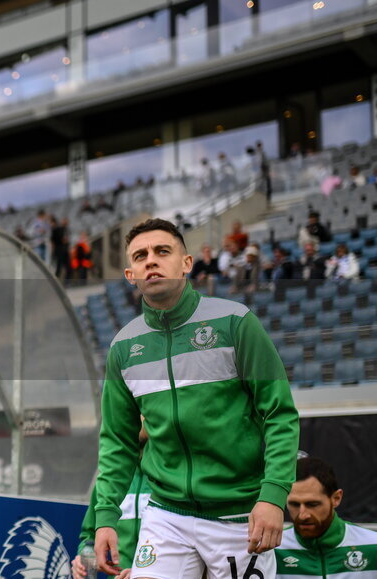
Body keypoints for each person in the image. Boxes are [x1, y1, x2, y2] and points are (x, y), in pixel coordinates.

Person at [93, 218, 299, 578]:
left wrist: (273, 495)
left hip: (239, 513)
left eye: (162, 251)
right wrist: (105, 516)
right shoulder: (123, 348)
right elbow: (117, 441)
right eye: (140, 256)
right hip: (166, 515)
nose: (151, 261)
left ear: (186, 263)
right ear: (130, 274)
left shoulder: (236, 322)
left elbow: (280, 414)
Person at [276, 457, 377, 578]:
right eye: (294, 504)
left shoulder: (373, 545)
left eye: (312, 504)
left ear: (336, 498)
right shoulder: (273, 550)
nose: (303, 515)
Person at [73, 425, 151, 579]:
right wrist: (82, 561)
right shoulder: (108, 481)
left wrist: (143, 574)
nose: (134, 417)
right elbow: (89, 536)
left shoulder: (171, 480)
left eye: (140, 408)